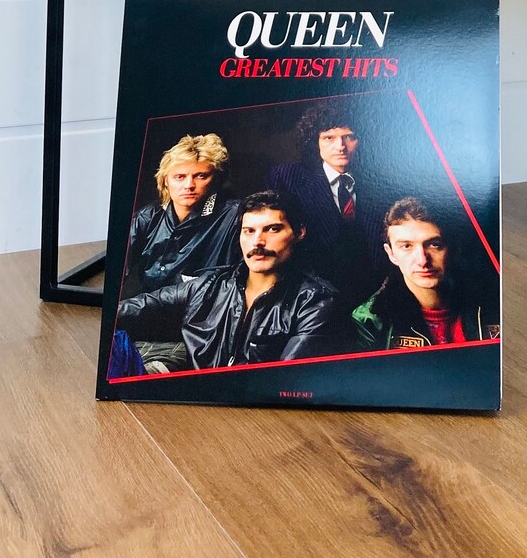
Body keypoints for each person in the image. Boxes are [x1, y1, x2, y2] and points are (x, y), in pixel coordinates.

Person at [115, 190, 347, 370]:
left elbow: (281, 379)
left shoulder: (316, 302)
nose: (258, 242)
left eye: (272, 229)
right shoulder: (211, 285)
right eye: (249, 231)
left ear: (299, 233)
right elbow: (139, 307)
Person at [121, 132, 242, 373]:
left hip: (199, 334)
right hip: (146, 323)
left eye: (200, 176)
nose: (189, 185)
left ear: (215, 179)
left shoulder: (235, 216)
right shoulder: (147, 217)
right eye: (179, 176)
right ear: (165, 180)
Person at [266, 101, 385, 304]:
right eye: (329, 138)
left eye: (349, 137)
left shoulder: (382, 179)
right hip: (313, 296)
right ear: (316, 142)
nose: (341, 147)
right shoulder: (287, 177)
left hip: (375, 293)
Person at [352, 197, 500, 351]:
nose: (422, 260)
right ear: (391, 254)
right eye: (407, 246)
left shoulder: (493, 298)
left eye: (434, 245)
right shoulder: (371, 319)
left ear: (453, 247)